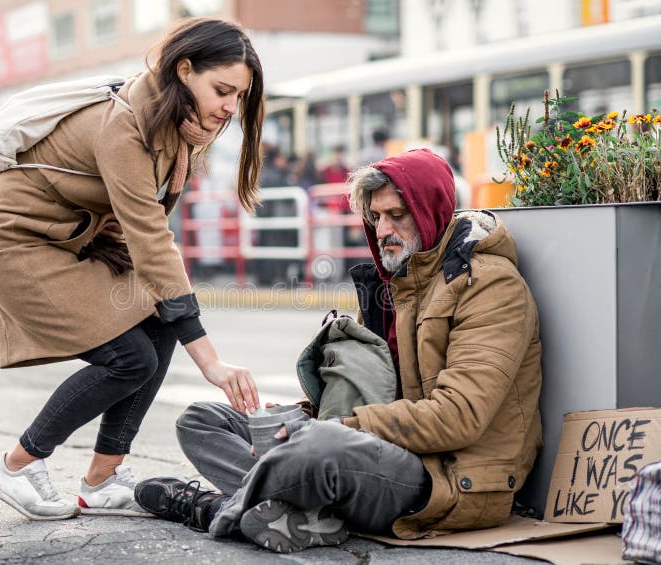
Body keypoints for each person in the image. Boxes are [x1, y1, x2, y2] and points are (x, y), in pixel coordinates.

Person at [133, 149, 543, 553]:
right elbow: (371, 388)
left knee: (317, 448)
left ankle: (218, 510)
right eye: (376, 217)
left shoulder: (490, 286)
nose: (383, 230)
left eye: (398, 215)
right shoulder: (396, 284)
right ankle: (302, 512)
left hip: (450, 477)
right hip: (381, 447)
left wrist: (339, 428)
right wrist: (307, 416)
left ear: (430, 211)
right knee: (202, 420)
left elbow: (459, 419)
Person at [0, 18, 263, 521]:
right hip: (16, 246)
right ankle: (18, 465)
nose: (230, 109)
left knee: (159, 321)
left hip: (72, 243)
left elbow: (145, 238)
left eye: (239, 97)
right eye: (222, 91)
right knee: (130, 359)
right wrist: (211, 362)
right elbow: (153, 240)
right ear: (184, 69)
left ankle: (103, 476)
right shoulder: (124, 125)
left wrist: (169, 305)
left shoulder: (177, 131)